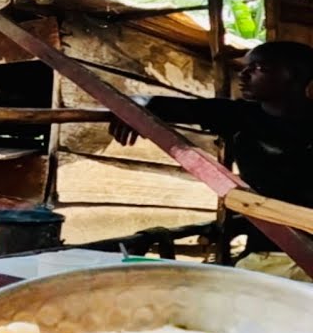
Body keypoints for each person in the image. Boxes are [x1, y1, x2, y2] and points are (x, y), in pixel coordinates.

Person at [109, 40, 313, 282]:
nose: (244, 74)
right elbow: (169, 105)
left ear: (295, 76)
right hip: (269, 251)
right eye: (245, 67)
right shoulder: (241, 116)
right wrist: (132, 109)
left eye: (259, 68)